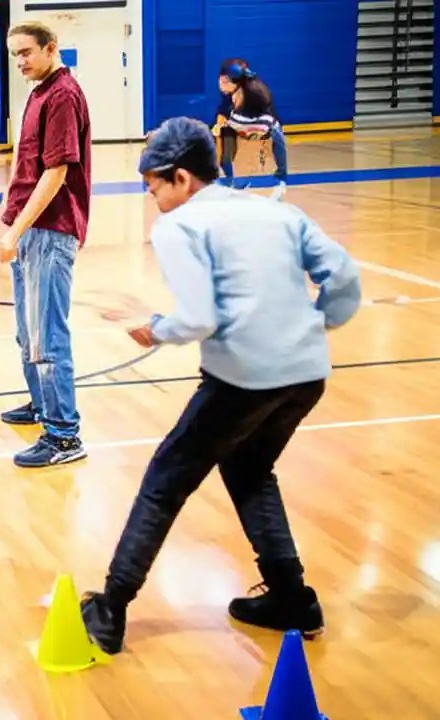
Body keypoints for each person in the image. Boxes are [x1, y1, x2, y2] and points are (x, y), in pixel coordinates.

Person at [78, 117, 362, 654]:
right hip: (306, 375)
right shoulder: (276, 211)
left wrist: (155, 329)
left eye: (154, 184)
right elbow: (343, 278)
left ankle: (111, 606)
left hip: (243, 381)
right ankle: (291, 598)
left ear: (181, 178)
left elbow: (199, 316)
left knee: (166, 479)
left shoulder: (179, 227)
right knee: (250, 468)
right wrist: (314, 325)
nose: (152, 196)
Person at [0, 22, 93, 468]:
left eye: (26, 53)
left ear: (51, 49)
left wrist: (15, 232)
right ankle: (41, 407)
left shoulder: (62, 96)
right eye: (15, 55)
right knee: (27, 333)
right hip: (30, 230)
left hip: (51, 232)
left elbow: (56, 173)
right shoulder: (38, 92)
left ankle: (64, 435)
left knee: (48, 337)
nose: (20, 62)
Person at [213, 59, 289, 200]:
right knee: (221, 136)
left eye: (222, 80)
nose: (220, 83)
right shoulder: (233, 94)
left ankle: (280, 177)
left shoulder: (254, 93)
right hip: (250, 126)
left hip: (258, 126)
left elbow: (269, 121)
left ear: (226, 80)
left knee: (275, 132)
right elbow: (222, 114)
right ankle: (230, 177)